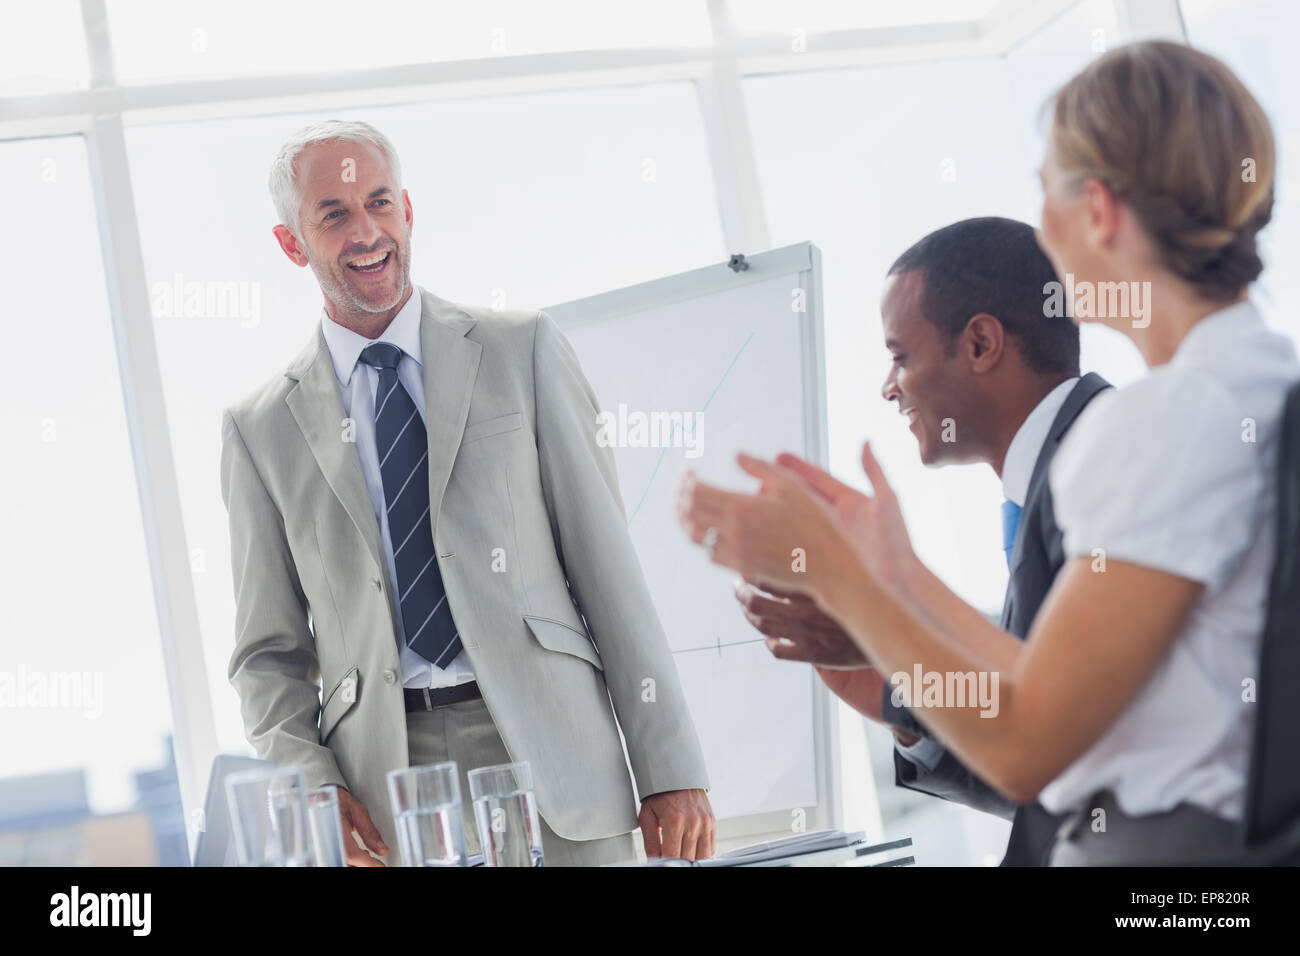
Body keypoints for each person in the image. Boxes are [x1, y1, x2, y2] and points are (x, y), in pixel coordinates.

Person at [680, 40, 1297, 865]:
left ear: (1102, 213)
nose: (1041, 232)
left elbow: (1026, 748)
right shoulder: (1261, 388)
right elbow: (1053, 682)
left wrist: (842, 578)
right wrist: (891, 576)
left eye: (1047, 195)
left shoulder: (1166, 424)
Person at [221, 120, 713, 867]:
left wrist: (670, 768)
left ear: (408, 210)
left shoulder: (523, 350)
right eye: (335, 215)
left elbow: (609, 574)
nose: (367, 233)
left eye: (380, 203)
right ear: (292, 244)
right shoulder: (259, 431)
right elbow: (268, 655)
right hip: (388, 784)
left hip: (554, 751)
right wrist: (311, 786)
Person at [736, 216, 1110, 865]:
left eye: (900, 356)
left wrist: (895, 649)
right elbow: (1037, 779)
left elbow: (1075, 752)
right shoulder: (1052, 478)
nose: (889, 387)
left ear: (981, 343)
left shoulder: (1100, 460)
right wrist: (897, 702)